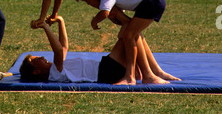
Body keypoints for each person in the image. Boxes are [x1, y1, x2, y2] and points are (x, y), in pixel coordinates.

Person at [19, 13, 179, 85]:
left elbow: (64, 46)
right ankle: (148, 74)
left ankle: (150, 72)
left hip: (106, 66)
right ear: (36, 71)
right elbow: (59, 51)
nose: (40, 57)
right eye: (36, 60)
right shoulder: (54, 75)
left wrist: (60, 22)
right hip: (106, 71)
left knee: (132, 32)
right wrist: (46, 27)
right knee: (131, 33)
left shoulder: (57, 68)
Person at [75, 0, 166, 85]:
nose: (88, 2)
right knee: (132, 32)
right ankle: (155, 71)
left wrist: (94, 21)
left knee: (129, 35)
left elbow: (105, 13)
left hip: (151, 0)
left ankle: (134, 76)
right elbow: (122, 19)